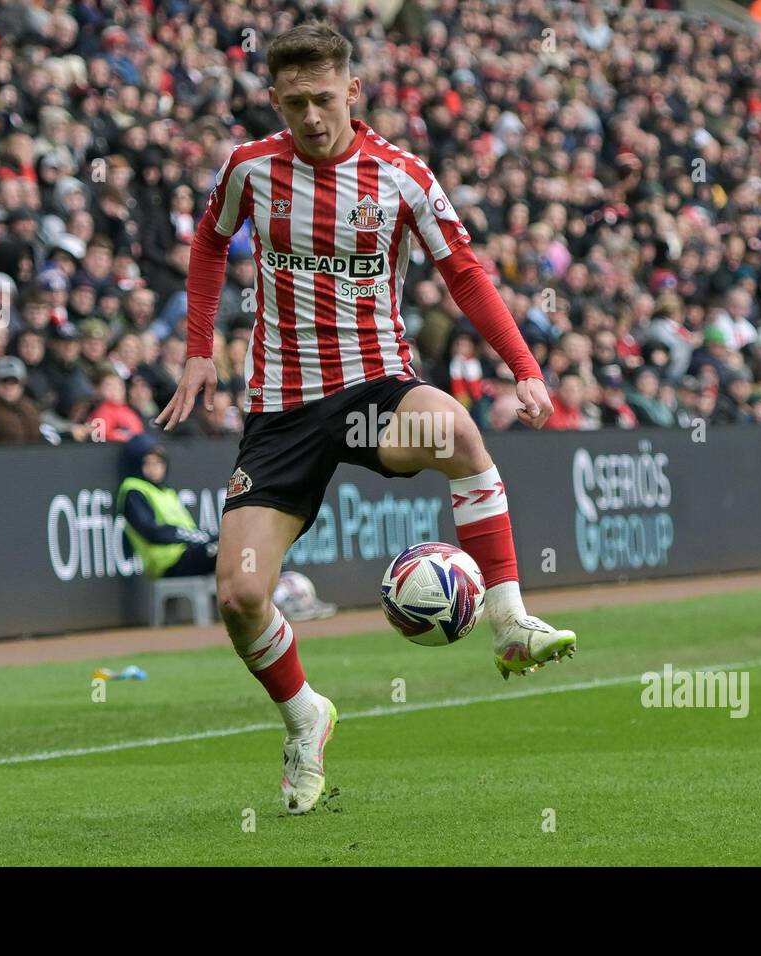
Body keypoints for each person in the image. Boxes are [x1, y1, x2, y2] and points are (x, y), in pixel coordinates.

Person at [155, 22, 577, 815]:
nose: (311, 115)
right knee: (241, 595)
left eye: (324, 97)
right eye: (294, 101)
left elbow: (464, 270)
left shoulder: (401, 176)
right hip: (280, 413)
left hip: (373, 392)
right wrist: (198, 347)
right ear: (275, 99)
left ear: (353, 90)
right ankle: (305, 715)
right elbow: (209, 246)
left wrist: (524, 367)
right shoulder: (250, 169)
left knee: (454, 431)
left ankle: (510, 620)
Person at [116, 433, 219, 579]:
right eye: (148, 463)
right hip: (169, 563)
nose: (155, 469)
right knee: (225, 549)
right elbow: (152, 532)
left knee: (233, 543)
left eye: (158, 463)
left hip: (188, 552)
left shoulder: (165, 491)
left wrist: (201, 537)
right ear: (136, 463)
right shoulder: (133, 490)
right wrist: (196, 537)